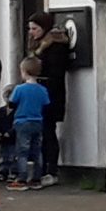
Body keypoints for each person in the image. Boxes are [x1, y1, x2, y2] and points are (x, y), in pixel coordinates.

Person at [25, 11, 72, 186]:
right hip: (39, 93)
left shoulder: (56, 46)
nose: (31, 32)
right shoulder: (37, 45)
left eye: (34, 28)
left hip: (49, 95)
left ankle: (51, 170)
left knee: (48, 131)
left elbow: (56, 73)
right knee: (40, 132)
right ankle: (41, 169)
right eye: (30, 29)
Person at [6, 57, 50, 192]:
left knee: (22, 151)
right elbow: (46, 104)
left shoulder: (19, 89)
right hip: (37, 121)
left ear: (24, 72)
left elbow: (12, 103)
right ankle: (37, 179)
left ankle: (22, 178)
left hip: (22, 121)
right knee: (37, 151)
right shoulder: (42, 90)